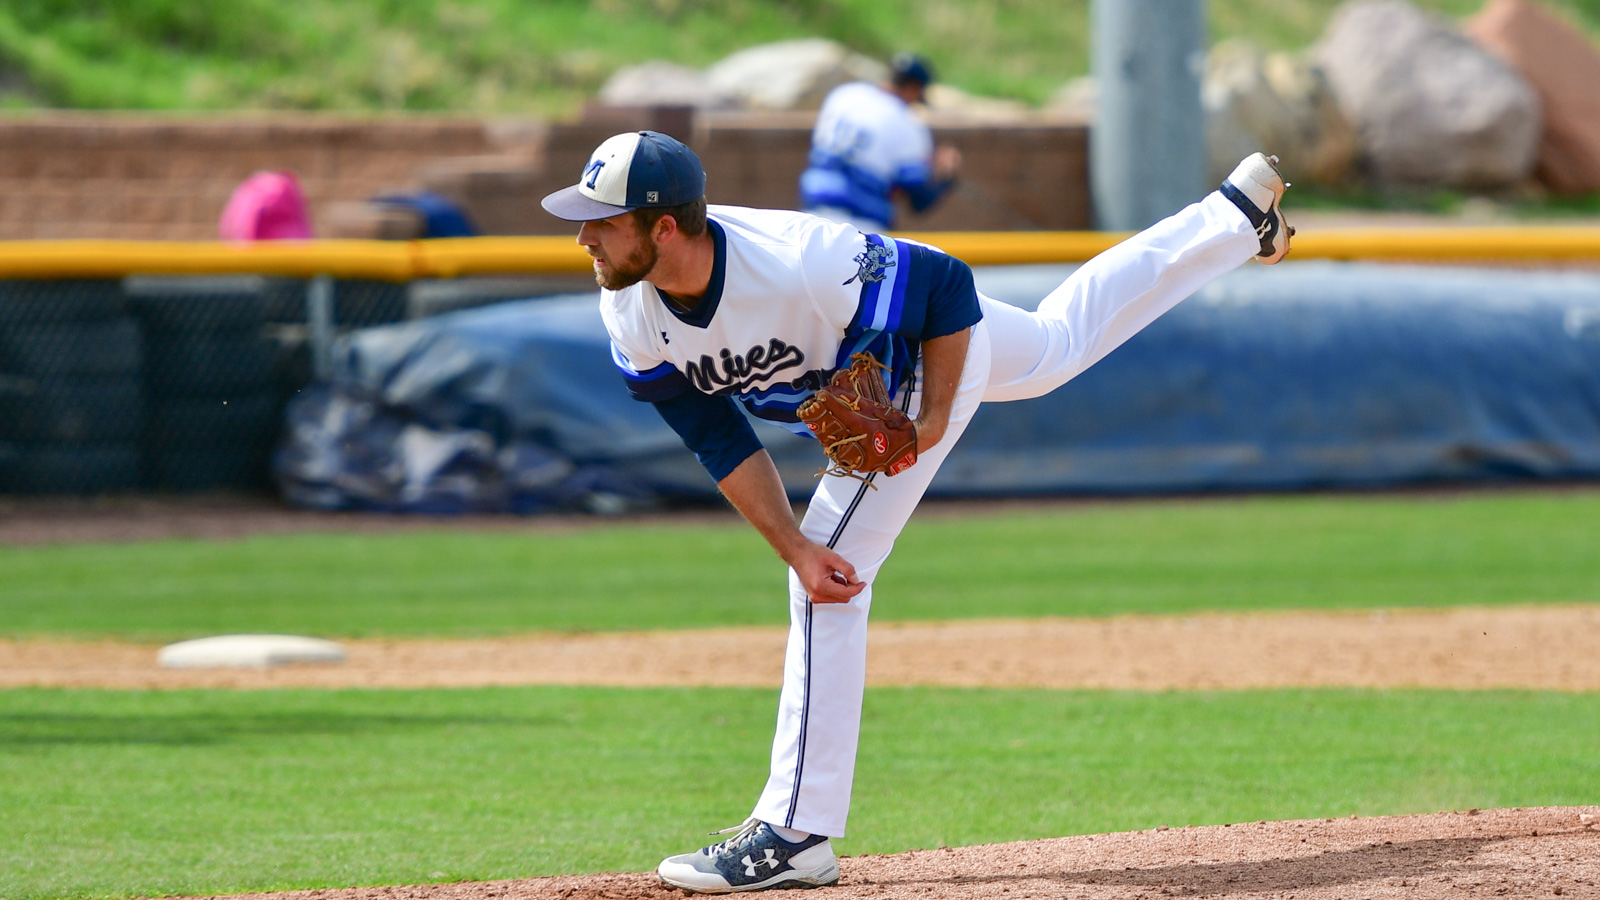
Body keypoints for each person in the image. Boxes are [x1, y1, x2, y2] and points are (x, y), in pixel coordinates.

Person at [541, 130, 1292, 894]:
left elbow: (945, 288)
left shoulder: (801, 257)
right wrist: (790, 544)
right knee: (1056, 350)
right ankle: (1235, 217)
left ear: (663, 226)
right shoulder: (632, 314)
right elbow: (715, 437)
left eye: (601, 220)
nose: (582, 237)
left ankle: (796, 833)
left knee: (831, 579)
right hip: (889, 371)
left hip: (920, 366)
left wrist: (930, 421)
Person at [798, 53, 962, 233]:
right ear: (914, 88)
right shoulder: (909, 124)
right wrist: (946, 176)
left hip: (812, 216)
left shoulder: (843, 95)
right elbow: (919, 201)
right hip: (861, 227)